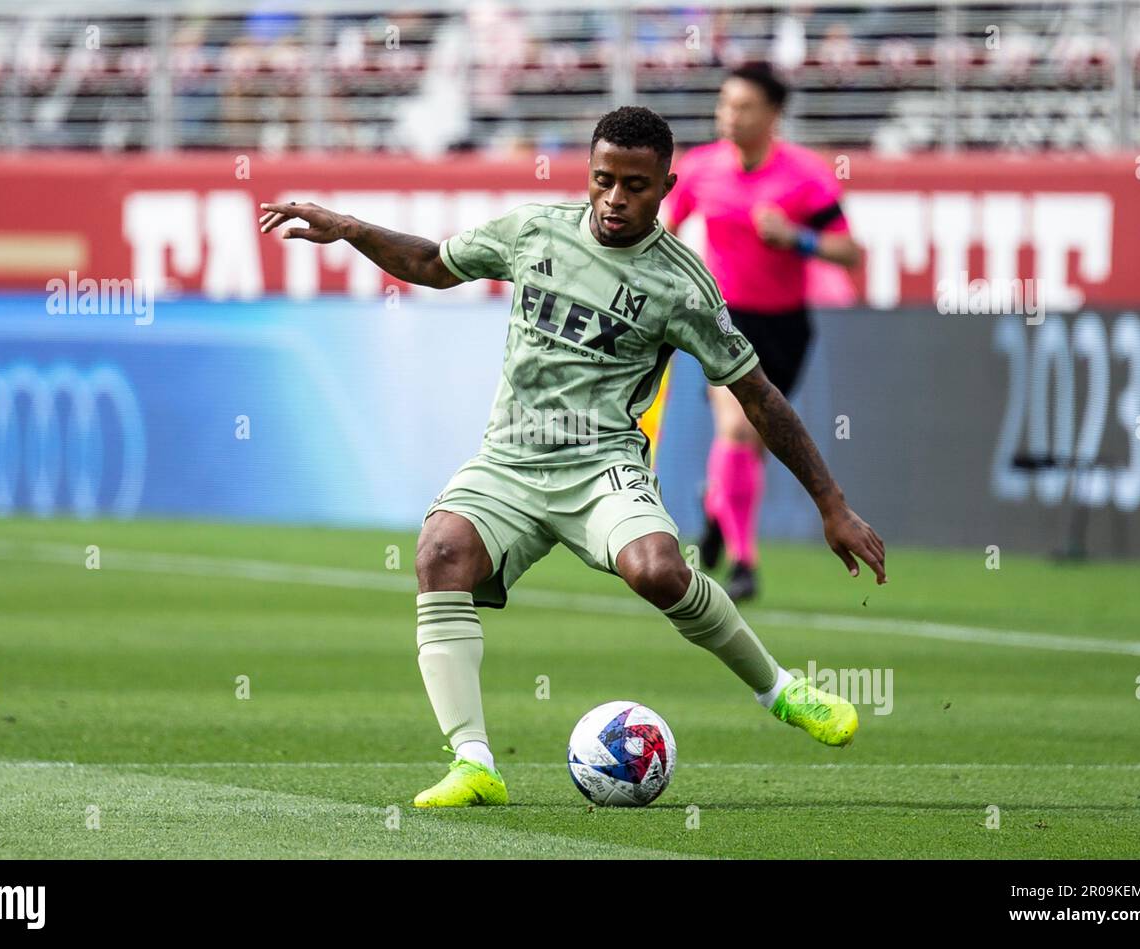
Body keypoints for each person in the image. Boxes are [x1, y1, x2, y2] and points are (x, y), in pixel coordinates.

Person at [258, 105, 885, 808]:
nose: (615, 198)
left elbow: (759, 395)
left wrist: (832, 504)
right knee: (440, 552)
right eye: (603, 180)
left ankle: (782, 689)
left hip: (601, 468)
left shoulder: (681, 284)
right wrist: (349, 229)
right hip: (511, 461)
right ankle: (475, 763)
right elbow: (432, 264)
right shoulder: (534, 230)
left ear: (667, 186)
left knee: (658, 570)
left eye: (635, 186)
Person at [664, 63, 863, 602]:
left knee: (751, 446)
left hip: (786, 327)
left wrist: (796, 239)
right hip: (724, 321)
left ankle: (714, 513)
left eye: (744, 106)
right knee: (739, 431)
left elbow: (850, 252)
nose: (730, 115)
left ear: (773, 114)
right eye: (724, 104)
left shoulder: (806, 176)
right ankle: (746, 563)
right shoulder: (700, 169)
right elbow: (665, 234)